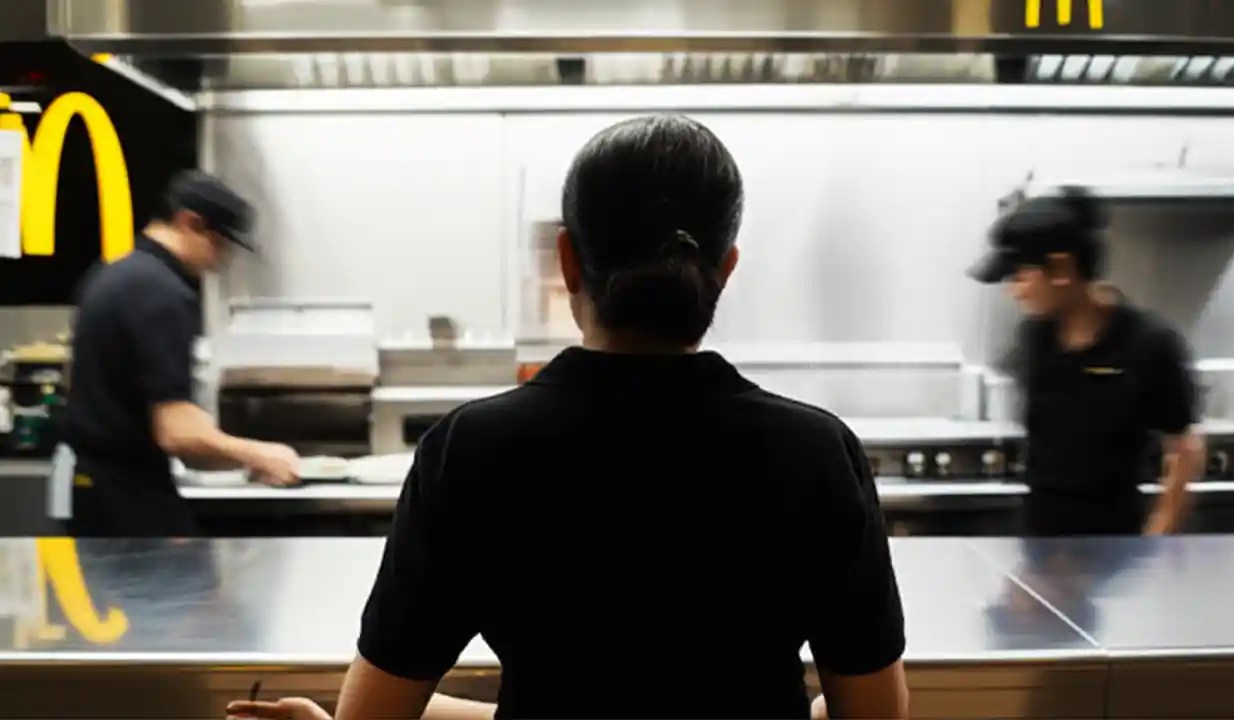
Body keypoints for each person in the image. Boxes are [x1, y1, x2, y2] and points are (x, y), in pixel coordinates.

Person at [228, 115, 908, 720]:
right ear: (725, 269)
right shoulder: (816, 450)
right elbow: (874, 712)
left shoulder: (472, 450)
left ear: (566, 260)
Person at [59, 170, 301, 537]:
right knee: (185, 590)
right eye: (222, 246)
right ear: (191, 223)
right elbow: (178, 434)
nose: (222, 261)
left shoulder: (114, 275)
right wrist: (261, 454)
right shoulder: (160, 293)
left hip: (92, 494)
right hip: (128, 500)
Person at [969, 189, 1206, 536]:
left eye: (1021, 275)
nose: (1014, 290)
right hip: (1039, 541)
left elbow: (1185, 449)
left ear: (1062, 268)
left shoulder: (1150, 344)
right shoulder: (1033, 338)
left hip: (1113, 544)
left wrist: (1156, 540)